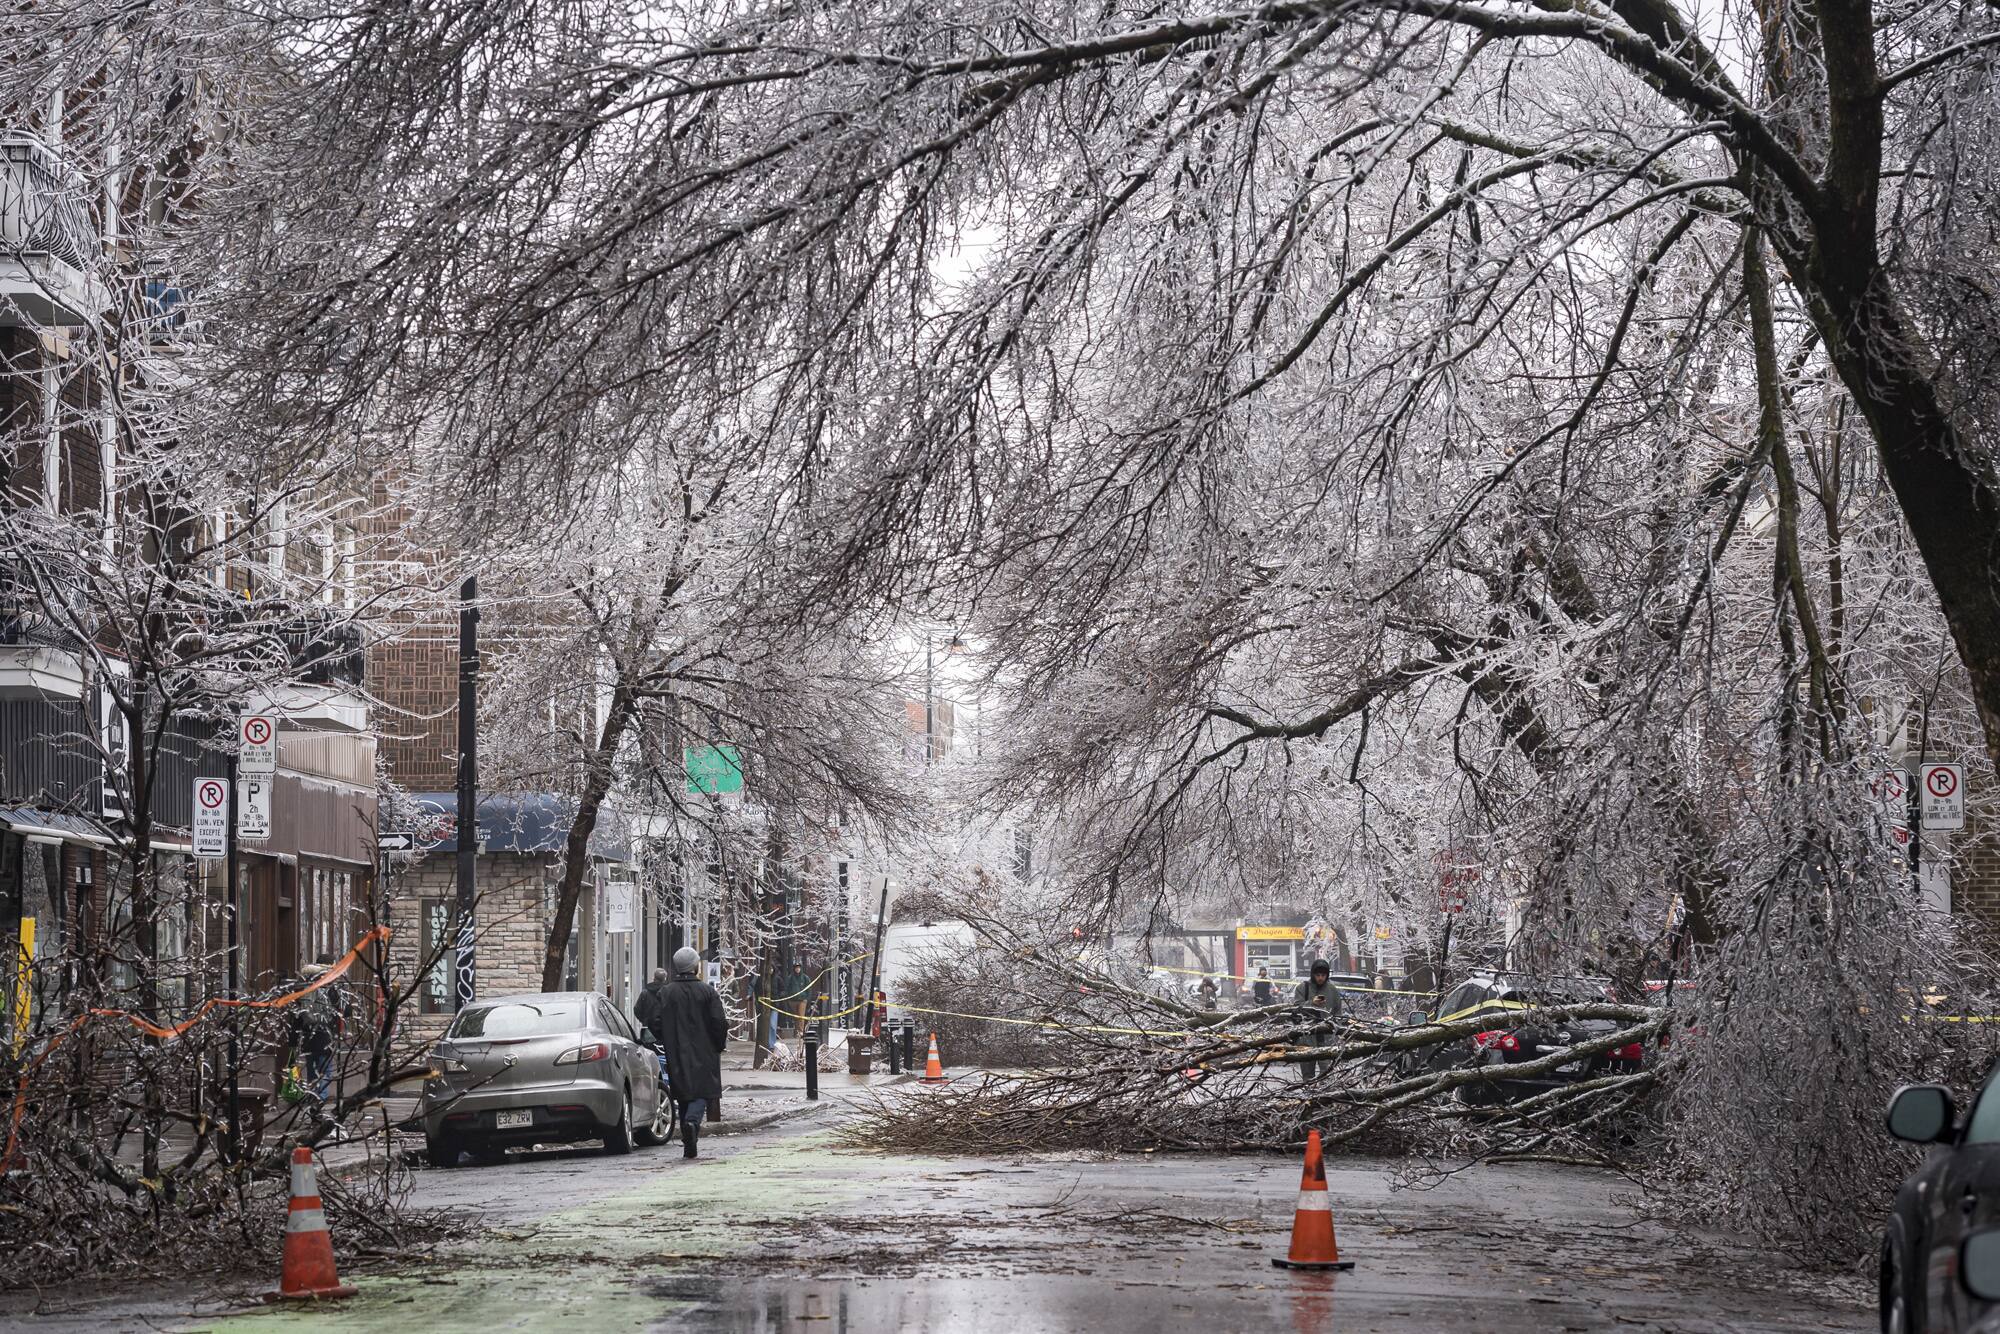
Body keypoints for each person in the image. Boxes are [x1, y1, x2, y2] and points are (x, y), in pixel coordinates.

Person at [656, 946, 728, 1159]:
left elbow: (655, 1020)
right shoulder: (707, 992)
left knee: (684, 1092)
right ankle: (691, 1123)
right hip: (705, 1050)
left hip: (676, 1049)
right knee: (702, 1092)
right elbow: (719, 1022)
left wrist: (665, 1038)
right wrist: (718, 1044)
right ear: (695, 967)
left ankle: (690, 1141)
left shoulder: (666, 993)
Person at [1293, 959, 1345, 1083]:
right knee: (1307, 1076)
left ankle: (1325, 1098)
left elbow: (1338, 1013)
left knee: (1327, 1075)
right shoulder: (1302, 988)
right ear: (1313, 974)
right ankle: (1308, 1098)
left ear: (1327, 975)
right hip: (1306, 1038)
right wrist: (1312, 1003)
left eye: (1323, 975)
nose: (1320, 978)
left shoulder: (1332, 990)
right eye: (1318, 975)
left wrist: (1338, 1034)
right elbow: (1295, 1010)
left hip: (1327, 1039)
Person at [634, 967, 673, 1045]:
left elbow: (637, 1009)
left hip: (647, 1030)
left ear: (654, 978)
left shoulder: (645, 993)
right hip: (664, 1030)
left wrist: (644, 1020)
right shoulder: (668, 993)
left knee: (648, 1053)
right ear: (665, 979)